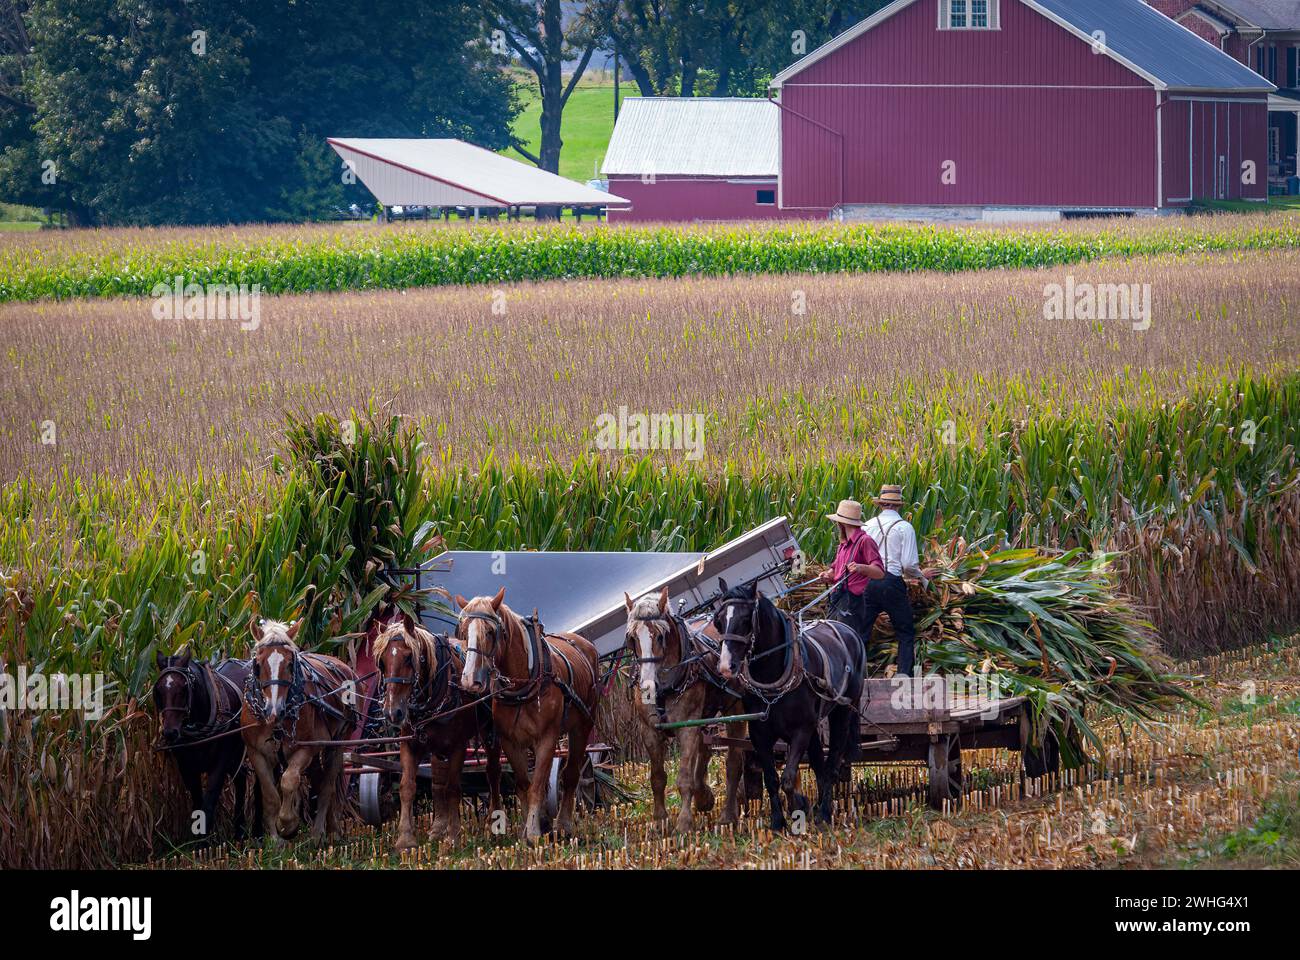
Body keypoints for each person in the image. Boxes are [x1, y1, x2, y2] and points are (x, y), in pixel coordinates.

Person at [859, 484, 938, 676]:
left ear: (881, 504)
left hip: (868, 582)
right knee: (905, 632)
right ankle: (904, 676)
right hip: (891, 583)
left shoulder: (867, 526)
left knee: (862, 633)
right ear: (898, 505)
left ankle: (857, 675)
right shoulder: (904, 527)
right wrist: (921, 576)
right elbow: (909, 565)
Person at [819, 499, 885, 637]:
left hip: (852, 603)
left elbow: (879, 572)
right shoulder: (843, 545)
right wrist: (827, 575)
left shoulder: (865, 541)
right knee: (831, 639)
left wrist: (861, 568)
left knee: (843, 643)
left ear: (841, 523)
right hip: (838, 598)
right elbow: (836, 571)